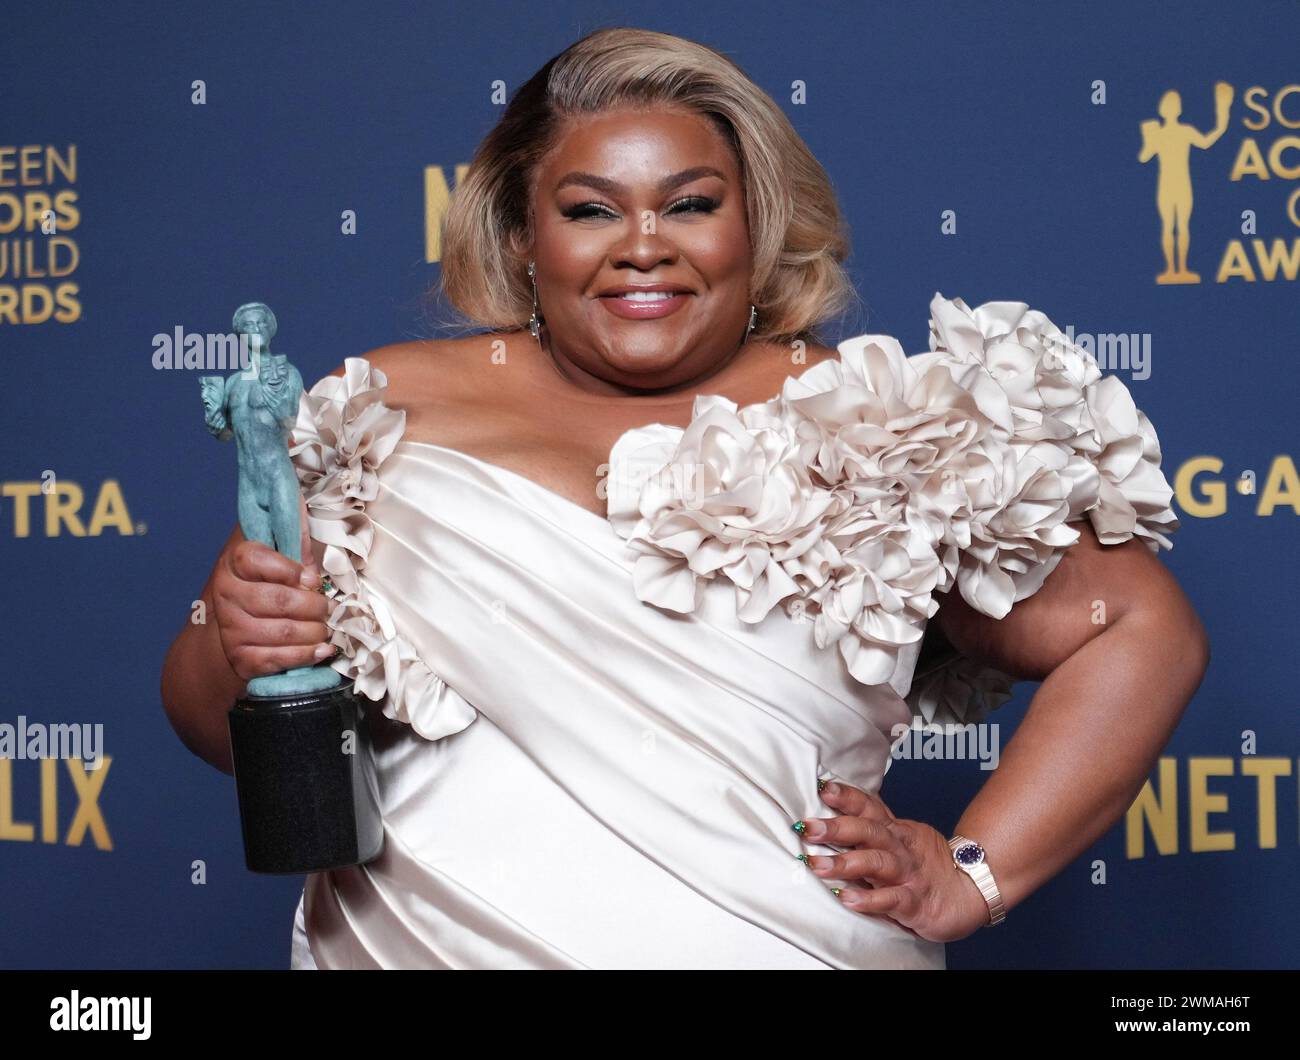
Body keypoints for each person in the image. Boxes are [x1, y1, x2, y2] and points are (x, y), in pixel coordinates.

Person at [160, 27, 1209, 970]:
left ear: (755, 225)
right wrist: (239, 635)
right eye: (589, 210)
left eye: (690, 204)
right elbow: (224, 722)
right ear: (523, 237)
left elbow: (1138, 630)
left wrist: (975, 872)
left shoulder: (871, 420)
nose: (643, 244)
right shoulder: (384, 410)